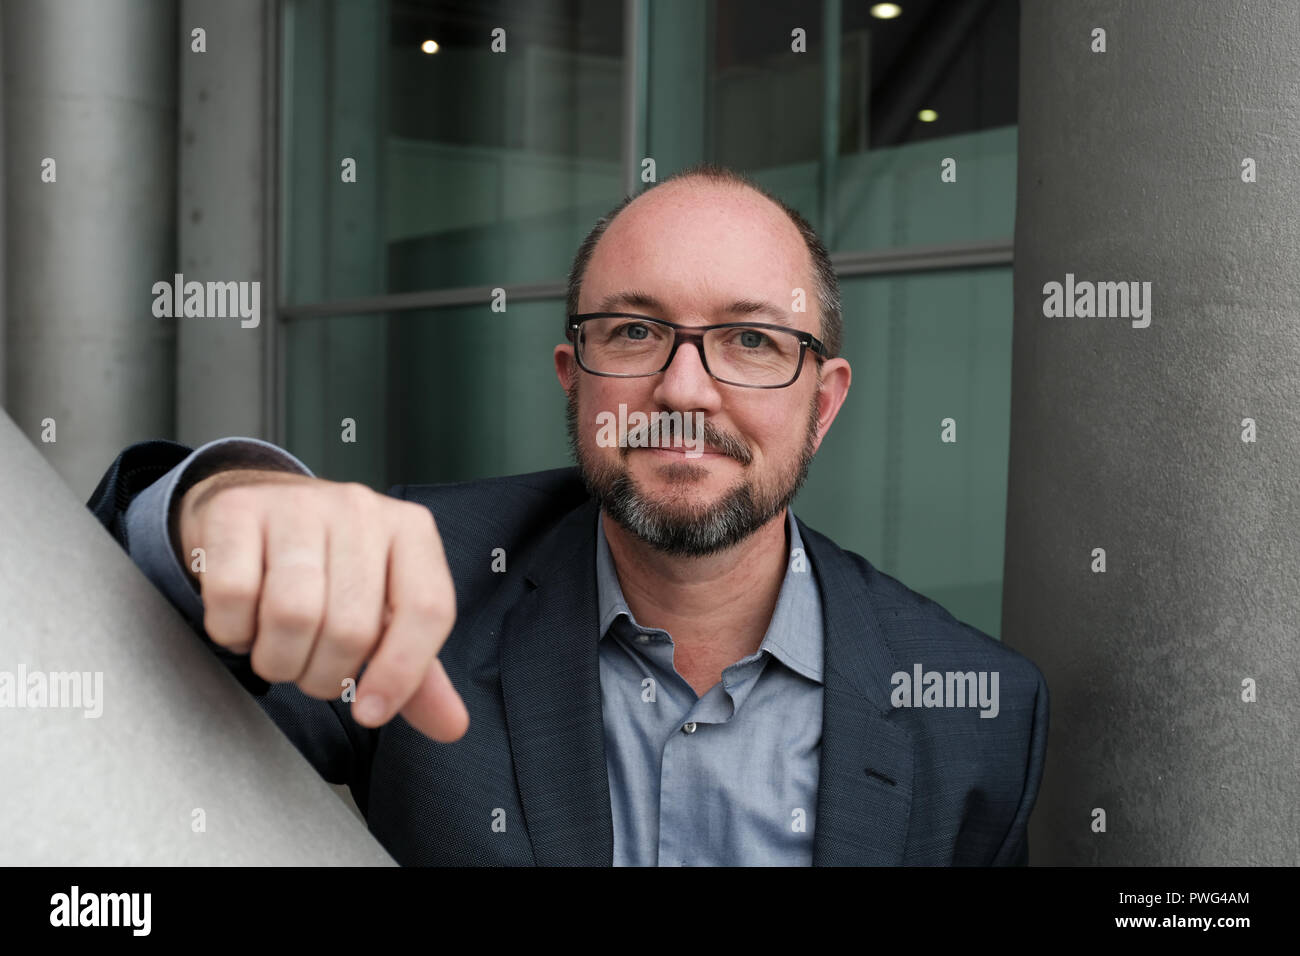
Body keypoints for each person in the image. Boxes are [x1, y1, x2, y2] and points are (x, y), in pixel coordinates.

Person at [87, 162, 1048, 866]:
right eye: (633, 332)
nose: (685, 390)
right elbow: (110, 670)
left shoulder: (975, 711)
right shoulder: (427, 588)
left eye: (751, 340)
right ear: (573, 378)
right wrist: (226, 508)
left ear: (824, 402)